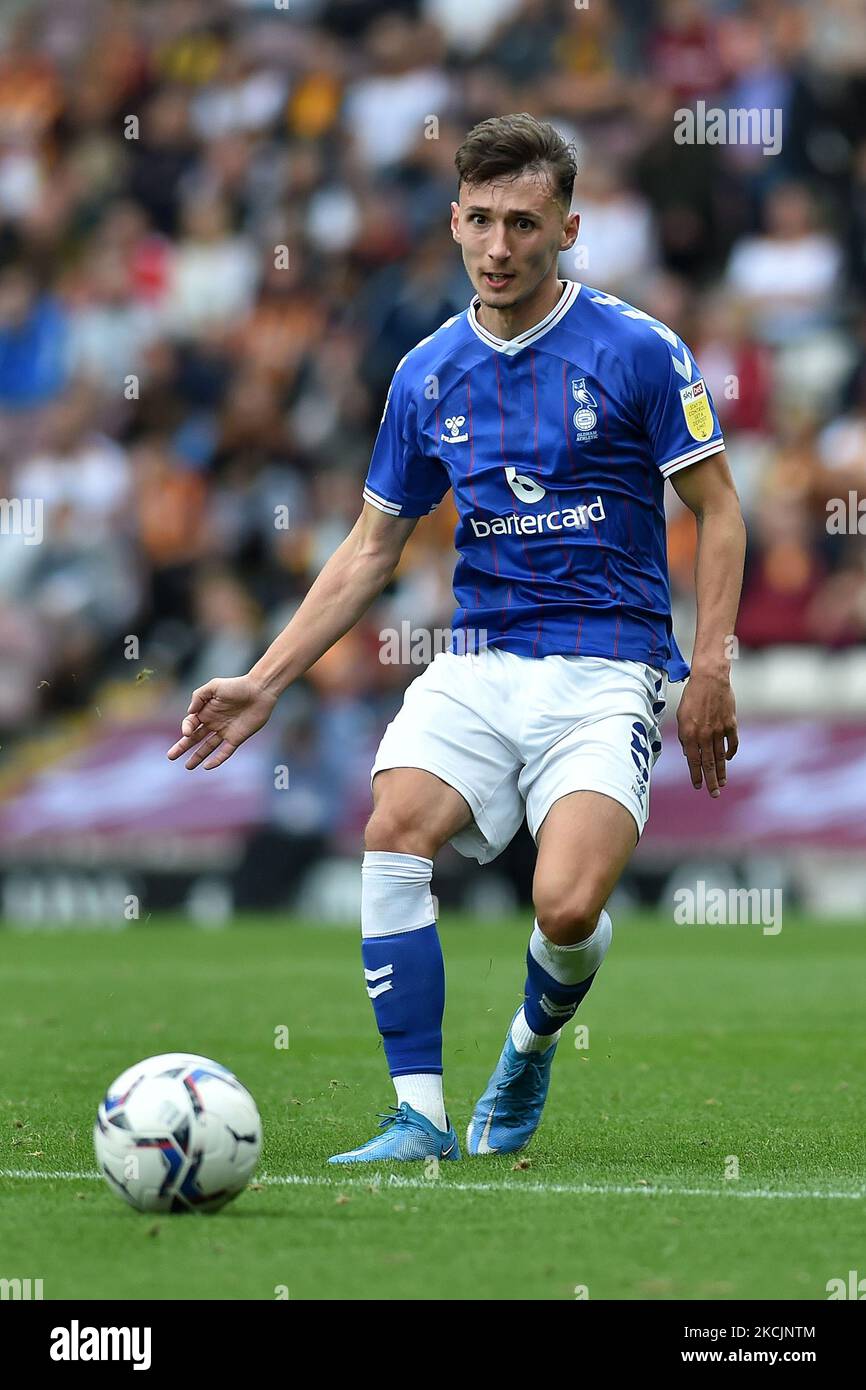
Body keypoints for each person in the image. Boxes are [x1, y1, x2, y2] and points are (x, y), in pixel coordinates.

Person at [167, 113, 746, 1164]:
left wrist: (708, 663)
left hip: (607, 664)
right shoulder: (427, 373)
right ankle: (418, 1115)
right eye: (478, 219)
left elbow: (719, 508)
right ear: (451, 220)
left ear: (566, 228)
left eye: (522, 222)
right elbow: (364, 550)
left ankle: (527, 1045)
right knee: (392, 827)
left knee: (564, 908)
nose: (497, 245)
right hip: (479, 657)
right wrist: (261, 680)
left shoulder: (637, 350)